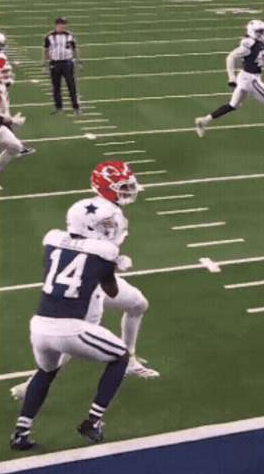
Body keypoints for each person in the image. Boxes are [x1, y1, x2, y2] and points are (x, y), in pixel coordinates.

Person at [11, 161, 159, 405]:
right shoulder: (96, 212)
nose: (129, 190)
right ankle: (31, 385)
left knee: (138, 304)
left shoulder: (99, 210)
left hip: (101, 276)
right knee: (72, 336)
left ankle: (130, 359)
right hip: (86, 283)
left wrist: (113, 261)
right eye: (122, 186)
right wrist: (113, 260)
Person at [10, 195, 135, 450]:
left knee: (46, 373)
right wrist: (116, 266)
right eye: (103, 224)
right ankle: (93, 421)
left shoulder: (52, 240)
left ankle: (21, 432)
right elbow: (110, 291)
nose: (109, 229)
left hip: (39, 325)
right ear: (88, 224)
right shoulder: (104, 252)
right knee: (120, 357)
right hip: (69, 327)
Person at [193, 20, 264, 141]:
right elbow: (230, 57)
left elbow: (260, 59)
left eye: (262, 31)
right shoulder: (249, 44)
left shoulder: (259, 42)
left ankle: (204, 121)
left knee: (233, 105)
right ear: (252, 31)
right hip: (251, 79)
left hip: (245, 77)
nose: (262, 33)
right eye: (259, 31)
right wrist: (231, 76)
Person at [0, 58, 33, 190]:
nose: (8, 74)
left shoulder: (0, 85)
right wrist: (12, 120)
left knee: (15, 147)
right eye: (4, 71)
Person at [43, 17, 81, 115]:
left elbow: (74, 48)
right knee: (56, 87)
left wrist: (78, 60)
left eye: (64, 24)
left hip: (67, 63)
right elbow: (46, 50)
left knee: (71, 85)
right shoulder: (49, 36)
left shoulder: (70, 35)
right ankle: (58, 107)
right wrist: (45, 63)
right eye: (61, 24)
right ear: (57, 25)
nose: (63, 26)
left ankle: (76, 107)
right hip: (55, 63)